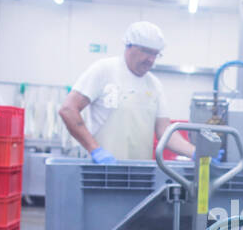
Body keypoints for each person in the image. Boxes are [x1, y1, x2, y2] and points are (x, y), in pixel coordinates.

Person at [58, 21, 196, 163]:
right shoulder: (104, 70)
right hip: (103, 169)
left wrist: (195, 152)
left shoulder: (154, 84)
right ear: (128, 46)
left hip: (139, 173)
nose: (151, 60)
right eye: (147, 51)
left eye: (156, 54)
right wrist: (95, 149)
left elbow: (165, 132)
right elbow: (68, 109)